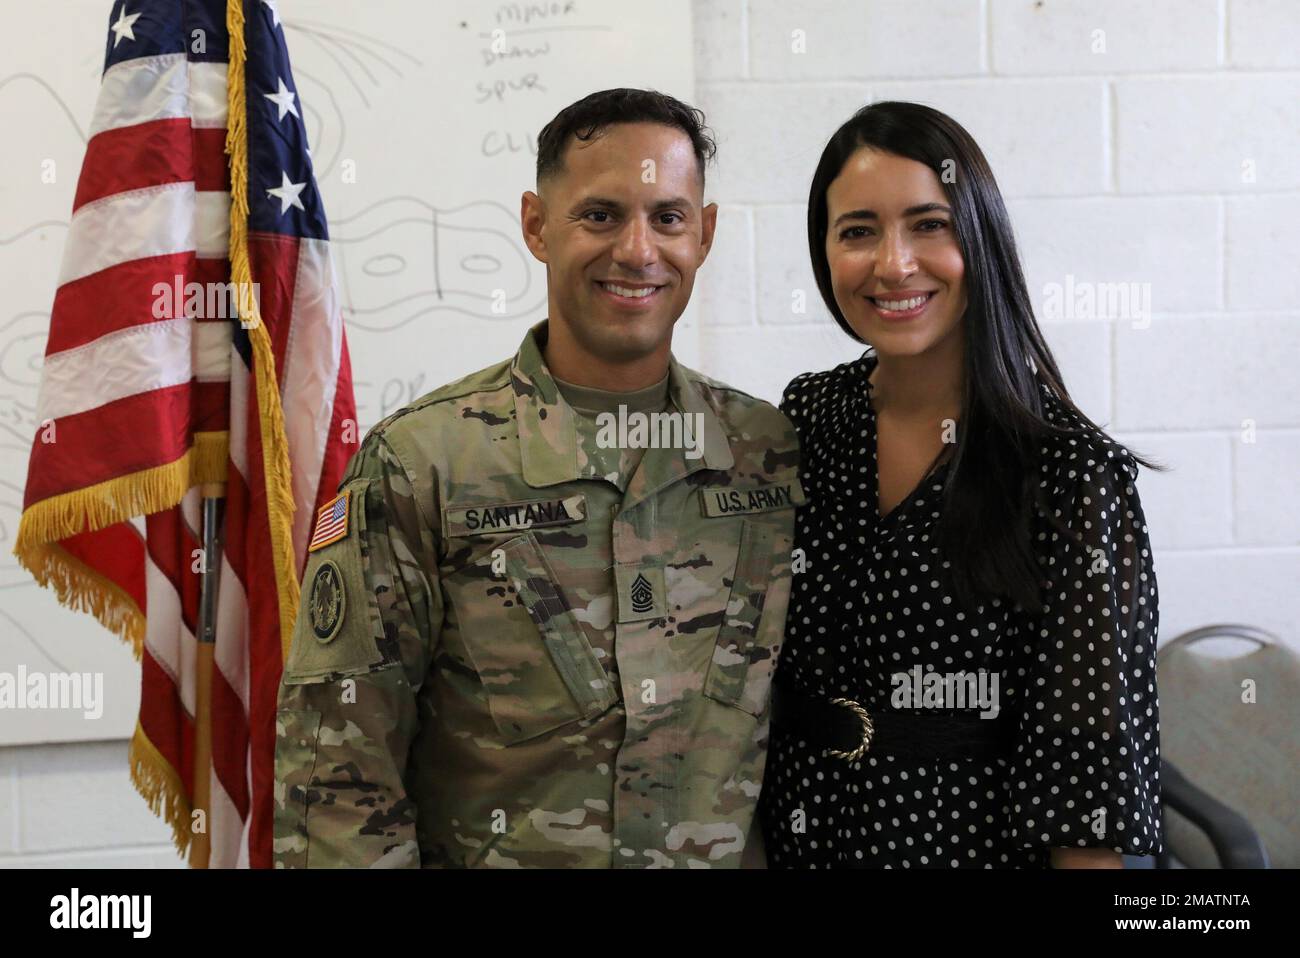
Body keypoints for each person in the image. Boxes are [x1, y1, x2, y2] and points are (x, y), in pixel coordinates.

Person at [273, 89, 802, 868]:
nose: (638, 251)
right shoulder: (424, 463)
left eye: (668, 217)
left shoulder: (767, 456)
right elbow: (336, 779)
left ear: (705, 233)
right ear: (535, 225)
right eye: (600, 215)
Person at [758, 101, 1161, 869]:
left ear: (980, 237)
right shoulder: (808, 417)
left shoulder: (1070, 472)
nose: (893, 264)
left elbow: (1086, 783)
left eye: (929, 225)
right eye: (858, 231)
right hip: (800, 838)